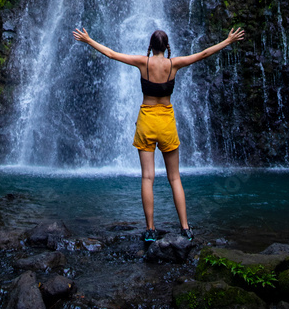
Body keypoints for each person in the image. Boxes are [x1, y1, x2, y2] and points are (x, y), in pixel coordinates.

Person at [72, 24, 245, 242]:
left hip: (146, 122)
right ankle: (185, 228)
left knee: (147, 177)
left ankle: (150, 230)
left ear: (150, 46)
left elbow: (111, 53)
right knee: (174, 177)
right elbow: (203, 53)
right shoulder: (174, 64)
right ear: (167, 46)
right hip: (166, 123)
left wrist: (89, 40)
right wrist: (228, 41)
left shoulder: (142, 63)